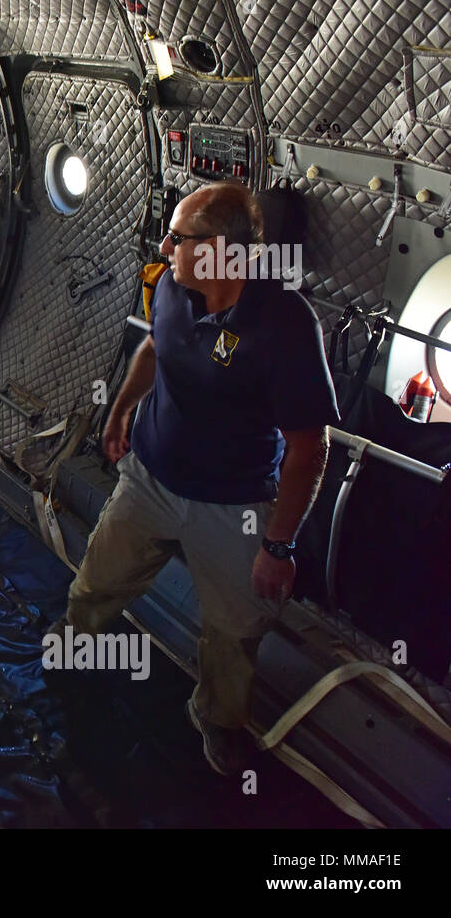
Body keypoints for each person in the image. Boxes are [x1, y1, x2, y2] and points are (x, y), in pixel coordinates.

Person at [57, 180, 338, 775]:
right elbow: (156, 349)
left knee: (234, 635)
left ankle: (217, 718)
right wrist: (122, 409)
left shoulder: (286, 324)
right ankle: (79, 660)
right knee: (92, 590)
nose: (164, 245)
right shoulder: (170, 287)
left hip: (232, 503)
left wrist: (278, 546)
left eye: (179, 237)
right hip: (151, 478)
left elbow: (310, 447)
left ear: (221, 251)